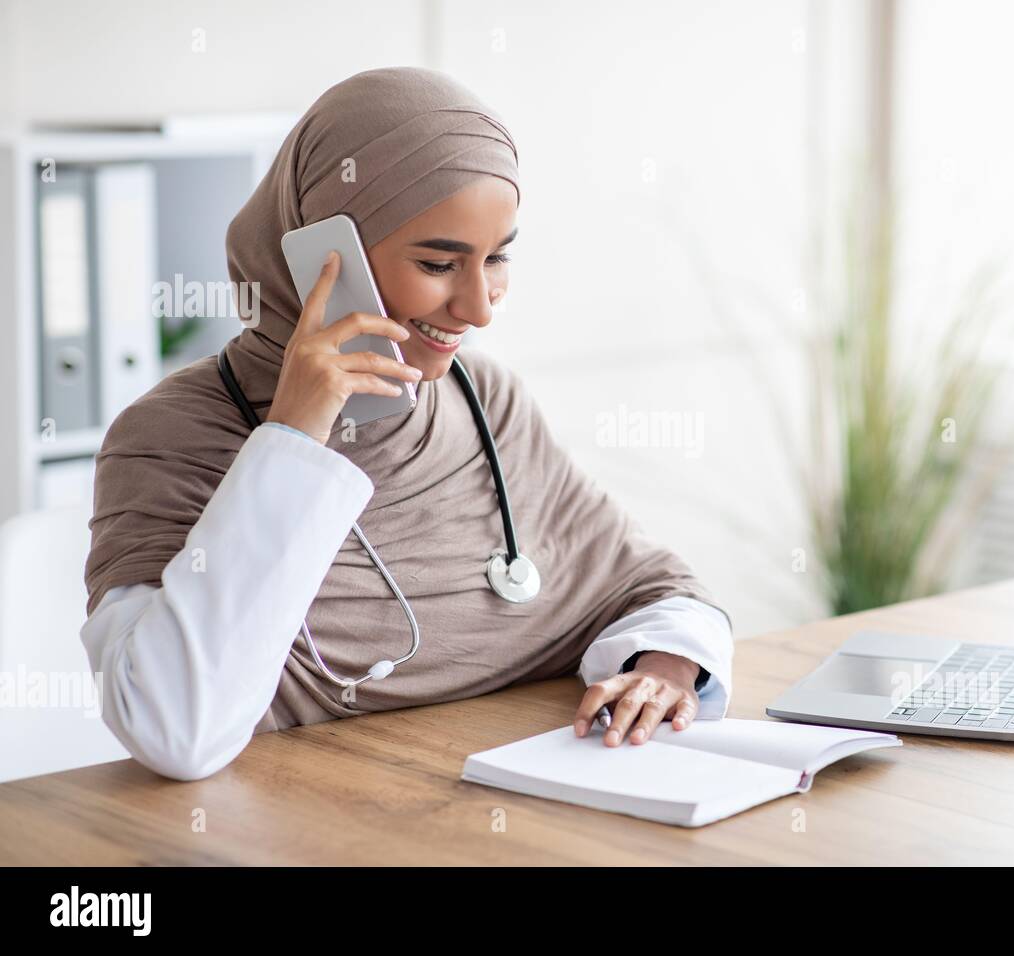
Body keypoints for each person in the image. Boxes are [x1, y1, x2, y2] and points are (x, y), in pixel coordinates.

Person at [80, 67, 733, 781]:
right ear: (322, 258)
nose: (481, 307)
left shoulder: (483, 400)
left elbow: (652, 585)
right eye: (437, 262)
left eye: (498, 257)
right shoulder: (169, 439)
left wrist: (663, 669)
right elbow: (175, 731)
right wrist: (294, 439)